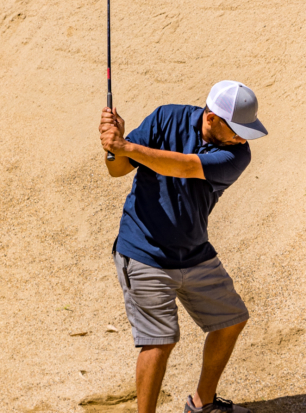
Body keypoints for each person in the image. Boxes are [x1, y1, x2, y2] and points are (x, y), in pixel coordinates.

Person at [99, 81, 268, 413]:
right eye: (237, 129)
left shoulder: (238, 154)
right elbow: (117, 170)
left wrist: (126, 146)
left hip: (193, 251)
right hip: (143, 250)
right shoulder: (166, 118)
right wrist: (111, 147)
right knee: (159, 342)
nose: (242, 137)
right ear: (211, 118)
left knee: (232, 319)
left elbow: (184, 166)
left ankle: (202, 402)